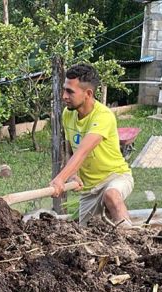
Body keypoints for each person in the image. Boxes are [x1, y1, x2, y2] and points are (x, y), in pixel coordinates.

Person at [50, 63, 134, 227]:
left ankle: (131, 239)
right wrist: (73, 174)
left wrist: (60, 179)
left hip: (115, 176)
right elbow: (71, 150)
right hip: (89, 190)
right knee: (89, 237)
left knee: (111, 196)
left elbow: (83, 151)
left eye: (70, 91)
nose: (64, 96)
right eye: (64, 89)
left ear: (88, 93)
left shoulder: (103, 116)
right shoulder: (68, 114)